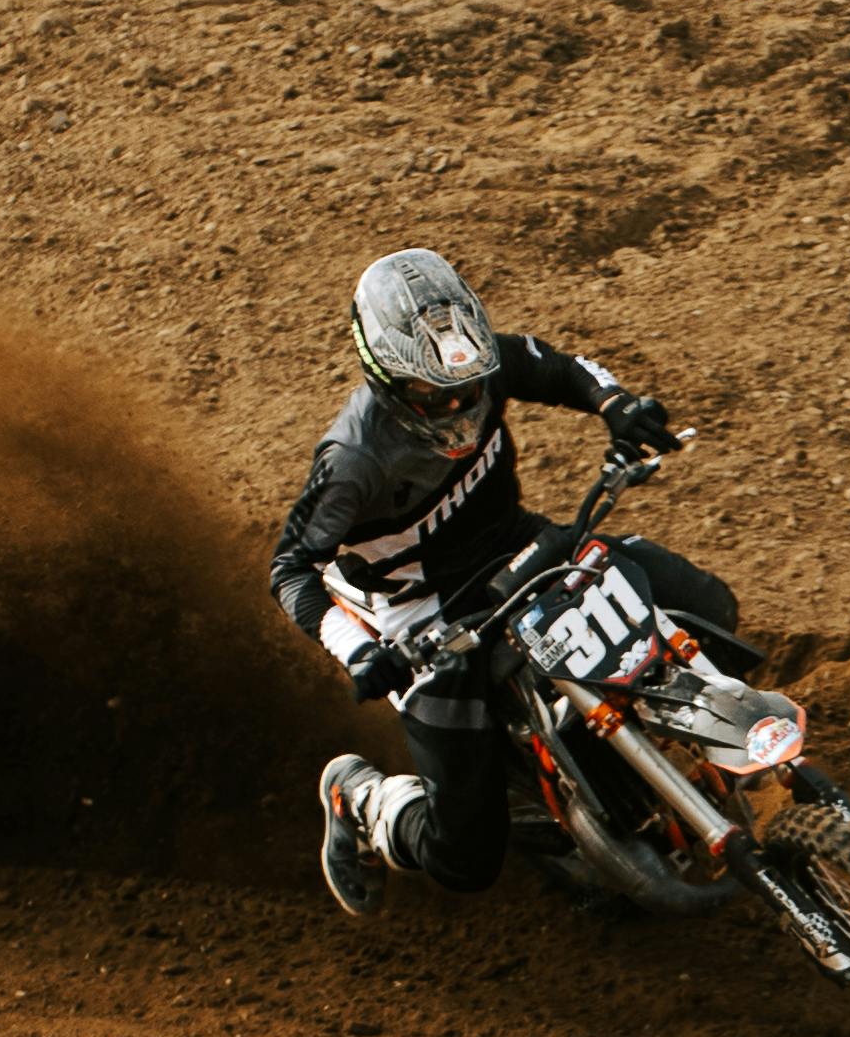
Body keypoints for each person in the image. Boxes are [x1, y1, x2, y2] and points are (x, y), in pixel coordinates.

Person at [266, 247, 704, 918]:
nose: (460, 407)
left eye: (468, 391)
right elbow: (290, 566)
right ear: (388, 380)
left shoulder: (476, 363)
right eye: (436, 397)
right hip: (424, 619)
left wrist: (616, 403)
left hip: (520, 549)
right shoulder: (353, 461)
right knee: (465, 858)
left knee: (703, 604)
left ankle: (641, 761)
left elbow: (557, 368)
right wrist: (357, 652)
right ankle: (362, 795)